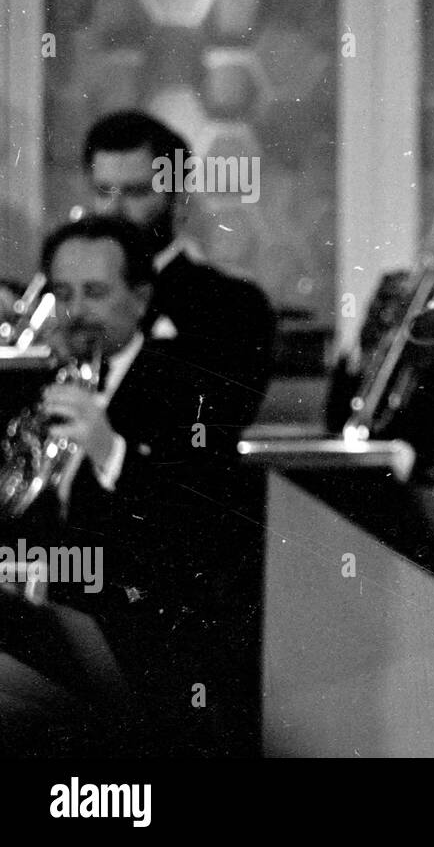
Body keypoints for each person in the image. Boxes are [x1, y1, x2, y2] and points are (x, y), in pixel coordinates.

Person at [8, 216, 261, 754]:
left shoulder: (189, 385)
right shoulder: (31, 383)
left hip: (149, 637)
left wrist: (107, 448)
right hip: (50, 624)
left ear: (141, 298)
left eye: (96, 293)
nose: (76, 311)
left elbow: (197, 527)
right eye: (63, 293)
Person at [81, 112, 275, 435]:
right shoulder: (62, 295)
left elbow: (212, 427)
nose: (113, 211)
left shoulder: (235, 305)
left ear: (177, 195)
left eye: (136, 192)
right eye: (103, 192)